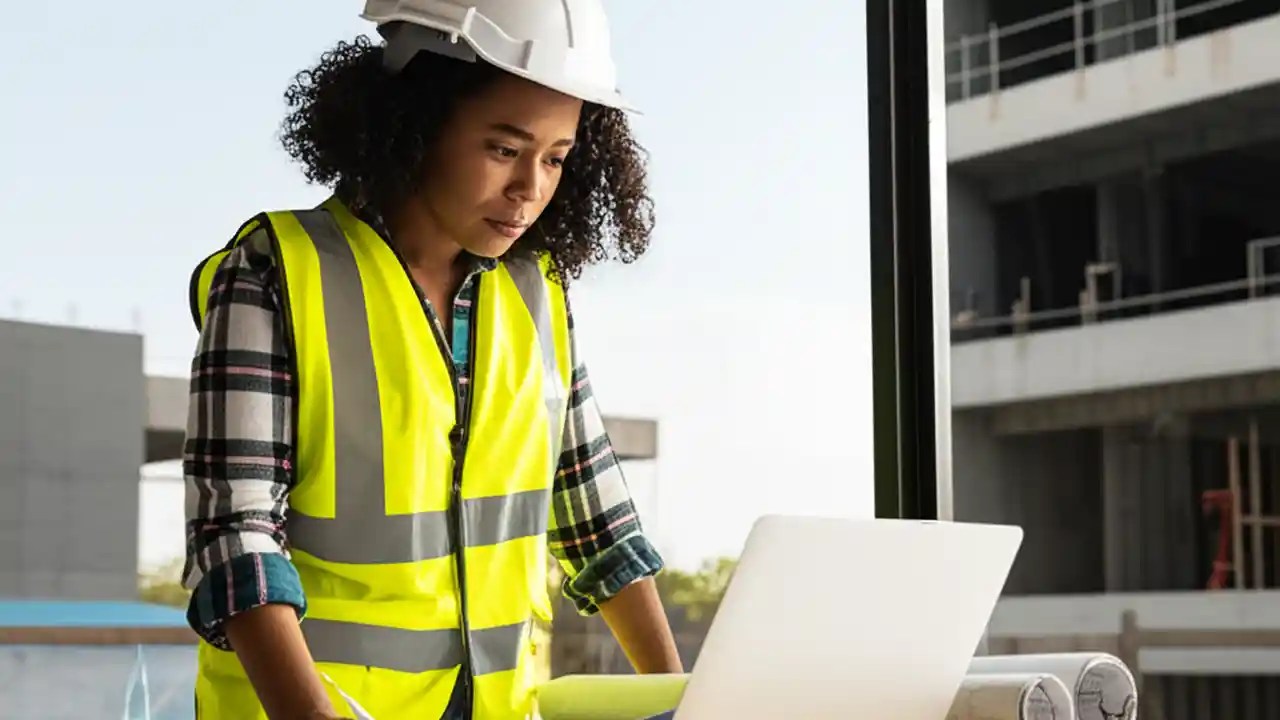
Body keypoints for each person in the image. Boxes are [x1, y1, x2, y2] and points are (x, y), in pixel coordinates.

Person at [179, 2, 683, 718]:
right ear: (412, 123)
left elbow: (599, 526)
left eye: (556, 158)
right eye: (504, 150)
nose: (530, 189)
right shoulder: (276, 272)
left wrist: (682, 702)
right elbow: (237, 539)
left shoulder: (536, 295)